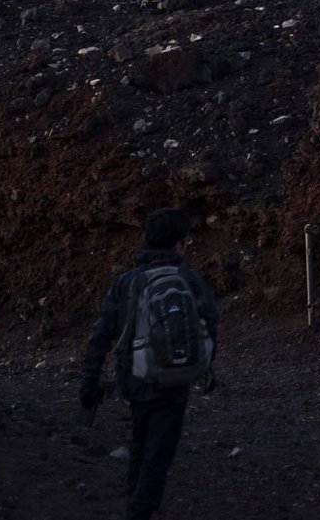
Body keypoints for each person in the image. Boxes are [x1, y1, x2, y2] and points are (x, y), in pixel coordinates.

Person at [80, 209, 219, 520]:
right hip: (176, 379)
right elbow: (210, 323)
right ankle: (140, 510)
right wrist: (205, 365)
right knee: (159, 453)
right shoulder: (190, 279)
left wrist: (90, 378)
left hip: (135, 378)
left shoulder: (126, 282)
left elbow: (101, 333)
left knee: (141, 444)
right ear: (180, 244)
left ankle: (136, 503)